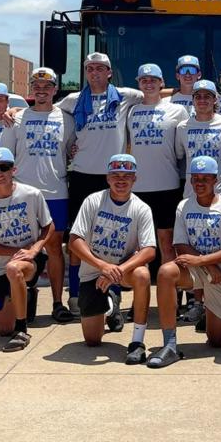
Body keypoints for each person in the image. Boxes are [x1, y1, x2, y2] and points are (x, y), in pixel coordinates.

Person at [59, 52, 144, 315]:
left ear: (109, 72)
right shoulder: (73, 100)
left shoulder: (126, 95)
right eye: (89, 68)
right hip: (82, 175)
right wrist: (15, 110)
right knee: (78, 237)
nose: (94, 73)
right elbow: (46, 109)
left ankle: (113, 295)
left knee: (112, 238)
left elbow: (156, 93)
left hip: (114, 176)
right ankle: (75, 295)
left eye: (100, 68)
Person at [147, 156, 221, 367]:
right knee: (165, 272)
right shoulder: (184, 206)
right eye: (195, 179)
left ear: (215, 180)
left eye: (205, 179)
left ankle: (210, 313)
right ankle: (170, 344)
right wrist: (206, 264)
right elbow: (180, 244)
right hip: (197, 270)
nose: (200, 183)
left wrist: (204, 261)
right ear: (190, 181)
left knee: (217, 341)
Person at [67, 154, 157, 363]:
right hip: (94, 270)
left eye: (127, 176)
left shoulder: (141, 208)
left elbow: (150, 250)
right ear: (107, 178)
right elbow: (74, 240)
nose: (121, 180)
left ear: (135, 179)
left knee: (143, 274)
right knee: (92, 340)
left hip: (124, 270)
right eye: (115, 175)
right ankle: (111, 304)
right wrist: (103, 266)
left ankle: (137, 342)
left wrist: (118, 269)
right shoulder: (93, 201)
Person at [1, 68, 72, 322]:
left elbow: (72, 149)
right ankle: (22, 301)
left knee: (54, 247)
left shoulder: (66, 118)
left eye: (47, 86)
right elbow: (6, 157)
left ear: (55, 89)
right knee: (21, 247)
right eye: (36, 86)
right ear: (31, 89)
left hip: (56, 191)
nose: (41, 90)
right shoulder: (16, 119)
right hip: (23, 193)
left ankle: (57, 303)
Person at [0, 147, 52, 353]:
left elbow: (48, 226)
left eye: (4, 168)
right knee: (2, 330)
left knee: (14, 269)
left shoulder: (32, 194)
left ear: (13, 170)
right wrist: (15, 251)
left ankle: (22, 328)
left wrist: (34, 249)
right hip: (4, 265)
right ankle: (26, 298)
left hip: (31, 261)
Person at [126, 64, 185, 263]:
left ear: (162, 83)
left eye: (153, 80)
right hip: (138, 187)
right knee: (137, 242)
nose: (148, 83)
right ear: (138, 84)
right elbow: (126, 145)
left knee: (166, 241)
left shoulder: (177, 110)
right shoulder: (131, 111)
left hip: (167, 184)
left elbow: (180, 149)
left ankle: (169, 288)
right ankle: (138, 285)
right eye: (144, 80)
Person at [176, 80, 221, 200]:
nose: (202, 100)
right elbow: (179, 155)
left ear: (215, 99)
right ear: (192, 100)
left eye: (207, 96)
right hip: (191, 195)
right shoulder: (182, 127)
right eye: (198, 97)